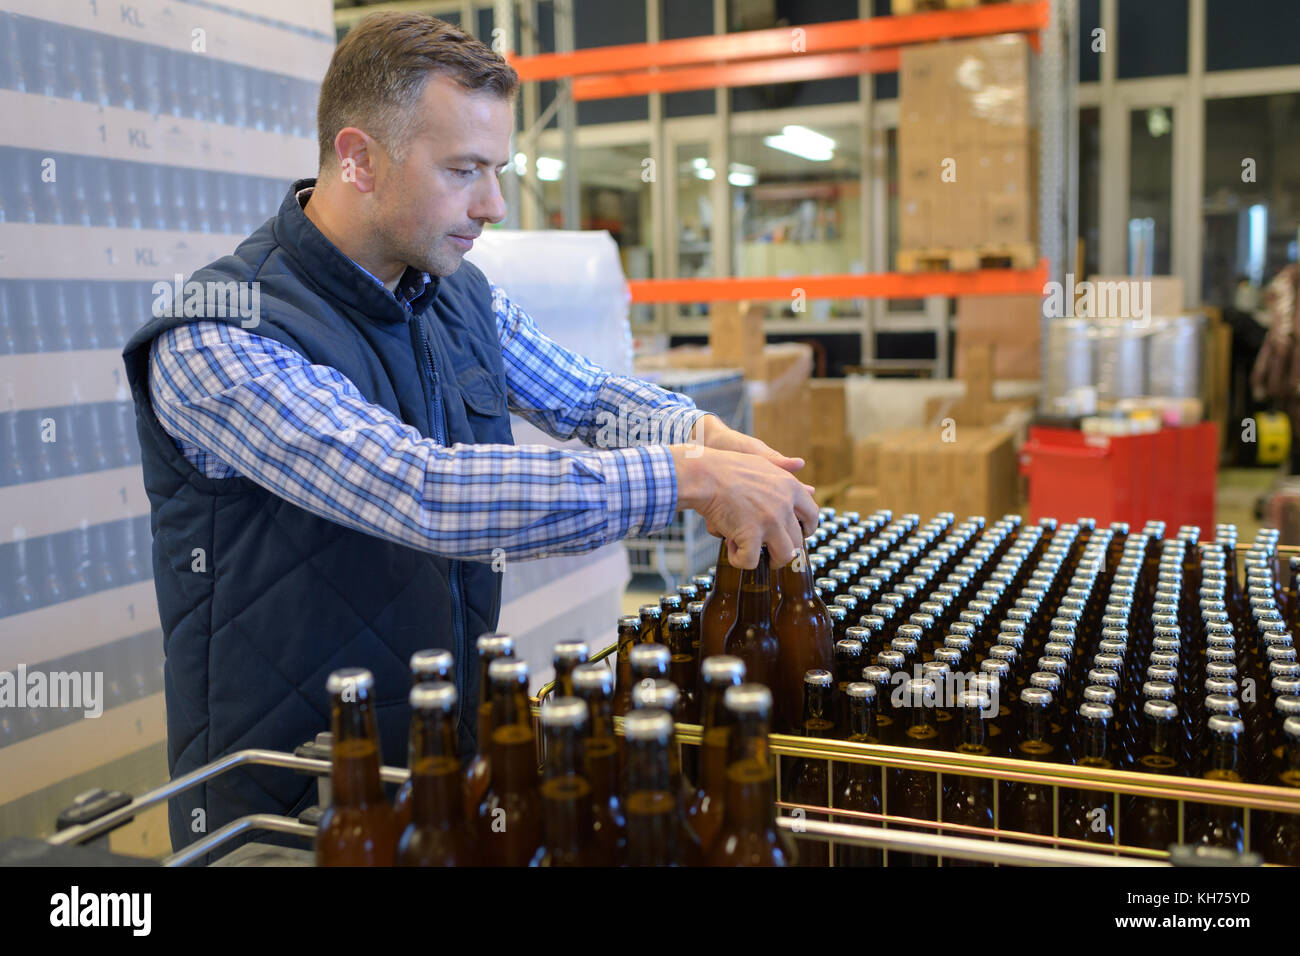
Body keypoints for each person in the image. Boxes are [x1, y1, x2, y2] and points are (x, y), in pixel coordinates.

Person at [120, 12, 817, 853]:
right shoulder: (221, 335)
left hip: (439, 771)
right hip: (291, 810)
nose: (492, 204)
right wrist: (686, 477)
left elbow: (585, 398)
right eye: (465, 171)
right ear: (358, 157)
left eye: (498, 170)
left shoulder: (456, 294)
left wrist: (712, 436)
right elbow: (422, 491)